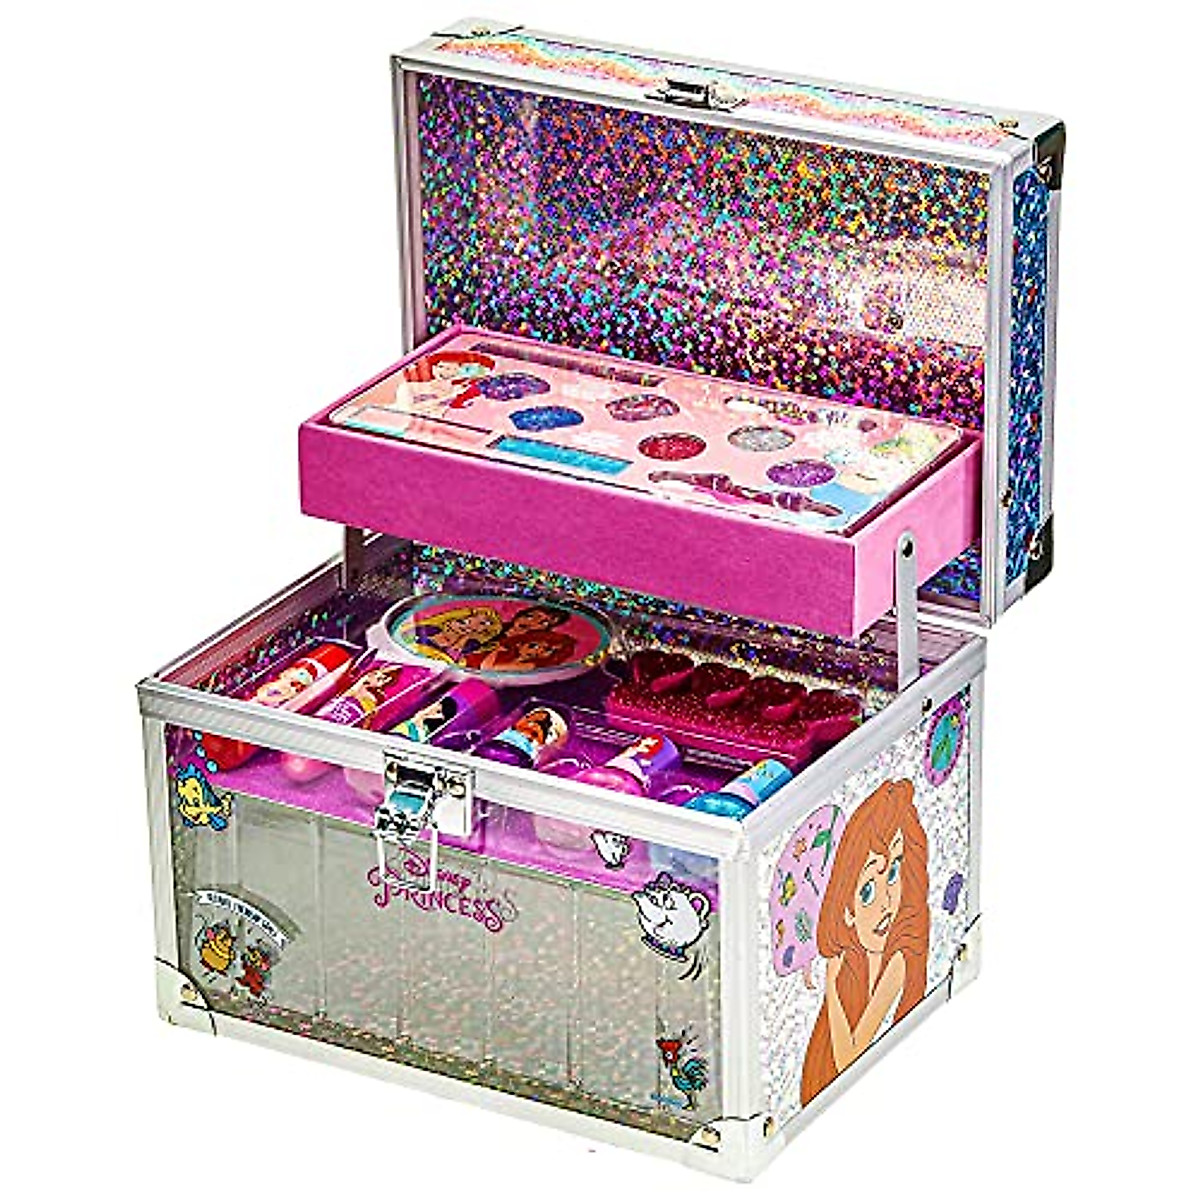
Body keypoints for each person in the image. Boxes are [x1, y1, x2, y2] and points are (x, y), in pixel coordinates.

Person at [800, 777, 929, 1105]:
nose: (887, 902)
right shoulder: (851, 959)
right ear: (847, 910)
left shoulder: (898, 959)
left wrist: (831, 990)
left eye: (894, 873)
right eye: (868, 890)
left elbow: (848, 1059)